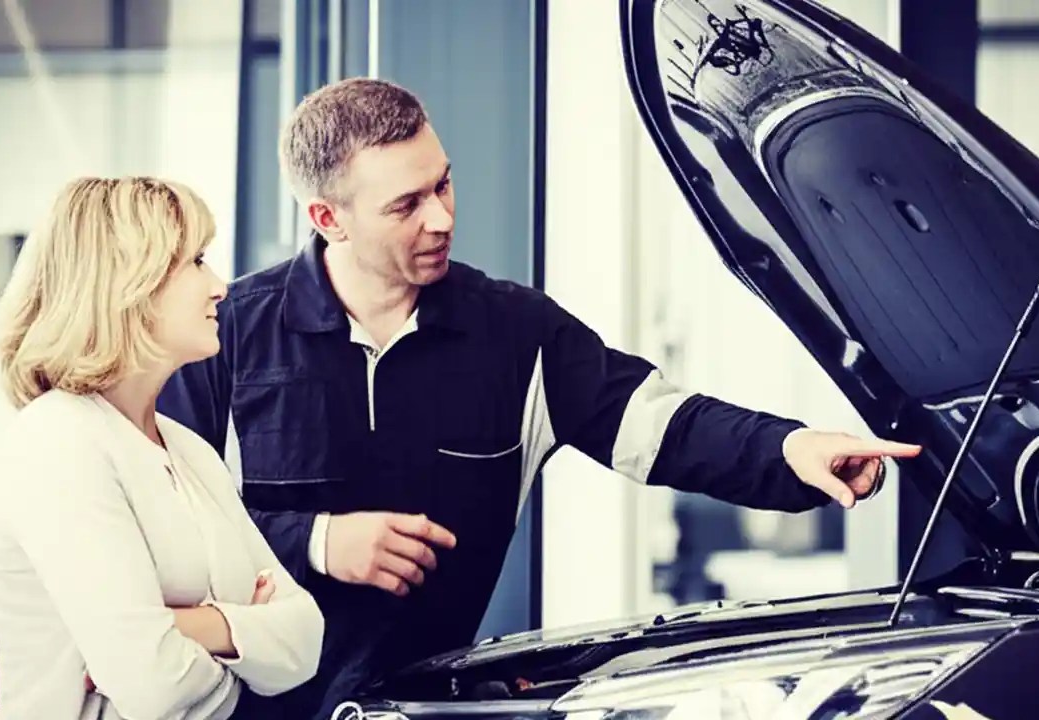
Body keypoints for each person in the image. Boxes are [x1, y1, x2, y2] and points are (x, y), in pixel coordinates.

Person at [158, 77, 922, 718]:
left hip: (428, 707)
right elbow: (170, 539)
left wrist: (793, 450)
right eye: (405, 205)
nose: (443, 218)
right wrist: (322, 541)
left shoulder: (517, 334)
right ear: (328, 219)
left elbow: (658, 425)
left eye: (443, 183)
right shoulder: (225, 340)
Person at [0, 177, 325, 719]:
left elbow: (304, 640)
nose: (219, 286)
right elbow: (154, 689)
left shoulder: (188, 451)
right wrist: (243, 639)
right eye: (197, 261)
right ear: (127, 283)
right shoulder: (57, 441)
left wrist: (188, 624)